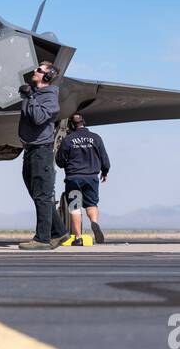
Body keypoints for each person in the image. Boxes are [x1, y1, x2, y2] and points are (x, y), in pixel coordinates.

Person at [17, 61, 68, 250]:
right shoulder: (36, 94)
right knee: (37, 193)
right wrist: (29, 95)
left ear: (47, 76)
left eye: (39, 70)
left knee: (42, 195)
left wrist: (30, 97)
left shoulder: (50, 97)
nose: (35, 71)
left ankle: (42, 239)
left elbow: (39, 118)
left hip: (41, 151)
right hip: (30, 150)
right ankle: (60, 232)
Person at [56, 113, 110, 245]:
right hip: (91, 177)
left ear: (71, 125)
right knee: (91, 204)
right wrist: (105, 172)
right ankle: (94, 223)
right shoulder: (96, 138)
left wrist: (64, 164)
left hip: (74, 178)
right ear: (84, 122)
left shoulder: (68, 140)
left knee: (75, 207)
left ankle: (78, 237)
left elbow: (60, 160)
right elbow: (105, 159)